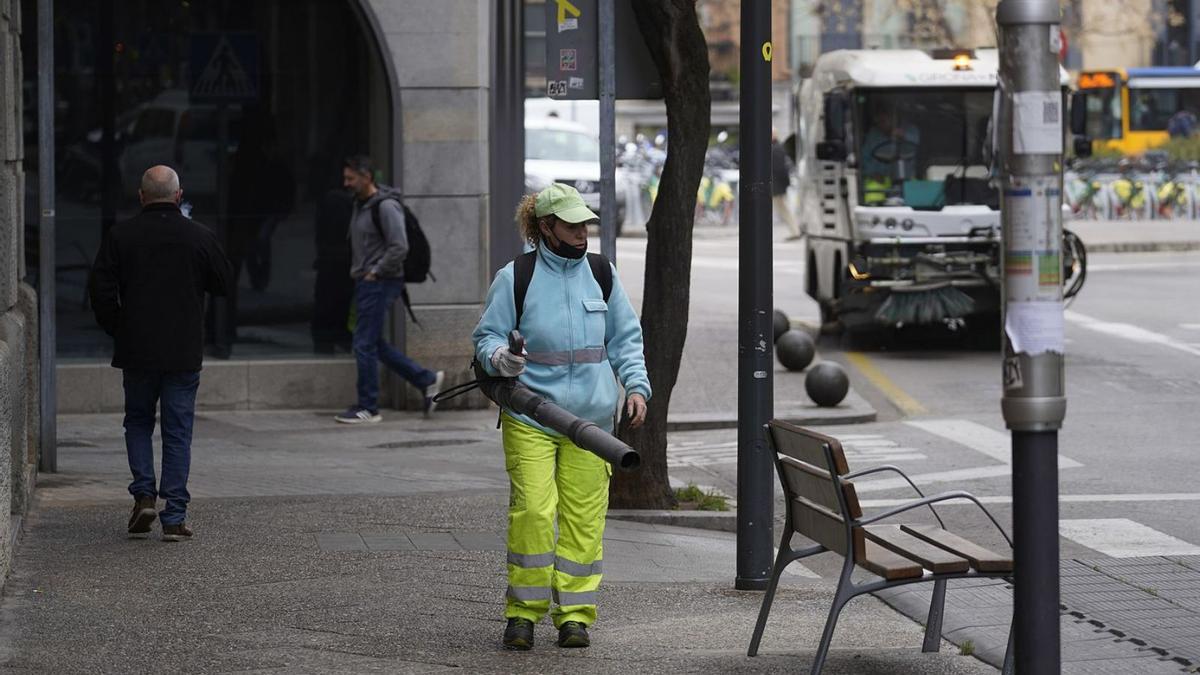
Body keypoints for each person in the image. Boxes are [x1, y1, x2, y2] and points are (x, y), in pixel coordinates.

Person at [472, 183, 651, 651]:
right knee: (533, 511)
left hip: (592, 425)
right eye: (571, 225)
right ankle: (522, 614)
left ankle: (574, 616)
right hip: (532, 418)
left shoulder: (602, 274)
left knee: (584, 520)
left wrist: (636, 385)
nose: (581, 232)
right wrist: (501, 360)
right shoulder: (516, 277)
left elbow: (625, 340)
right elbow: (486, 338)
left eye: (585, 224)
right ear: (545, 227)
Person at [89, 165, 234, 542]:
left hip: (137, 347)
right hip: (183, 350)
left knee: (138, 421)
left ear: (141, 197)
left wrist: (118, 327)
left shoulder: (121, 236)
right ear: (179, 195)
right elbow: (224, 282)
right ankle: (175, 517)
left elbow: (100, 291)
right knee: (177, 430)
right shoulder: (198, 236)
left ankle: (143, 494)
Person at [335, 155, 443, 424]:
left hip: (381, 282)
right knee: (373, 343)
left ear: (366, 177)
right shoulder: (361, 205)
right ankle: (426, 379)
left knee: (363, 344)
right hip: (368, 281)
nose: (346, 183)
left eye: (351, 178)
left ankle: (368, 407)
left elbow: (400, 246)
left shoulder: (384, 207)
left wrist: (375, 272)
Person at [860, 103, 921, 204]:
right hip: (881, 179)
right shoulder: (873, 135)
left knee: (921, 192)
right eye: (878, 121)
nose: (880, 124)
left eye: (883, 120)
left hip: (907, 178)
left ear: (893, 117)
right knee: (871, 191)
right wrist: (872, 173)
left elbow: (917, 146)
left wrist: (903, 136)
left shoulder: (911, 130)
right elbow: (863, 159)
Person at [771, 129, 801, 240]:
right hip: (779, 185)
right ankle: (795, 230)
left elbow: (779, 169)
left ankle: (795, 231)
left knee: (783, 209)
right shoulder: (777, 147)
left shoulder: (776, 149)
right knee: (783, 209)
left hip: (778, 186)